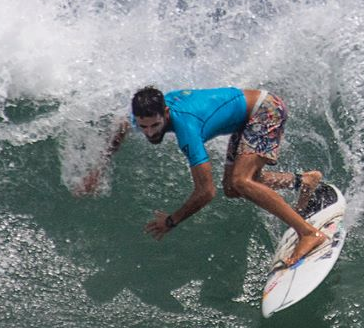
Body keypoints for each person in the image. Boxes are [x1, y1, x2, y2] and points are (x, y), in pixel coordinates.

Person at [80, 86, 330, 266]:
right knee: (233, 188)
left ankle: (308, 233)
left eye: (155, 126)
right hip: (244, 119)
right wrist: (99, 167)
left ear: (165, 113)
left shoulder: (187, 129)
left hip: (264, 110)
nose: (150, 133)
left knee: (241, 181)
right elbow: (122, 124)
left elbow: (206, 192)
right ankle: (304, 181)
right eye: (143, 126)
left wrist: (171, 221)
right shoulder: (144, 115)